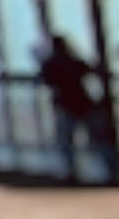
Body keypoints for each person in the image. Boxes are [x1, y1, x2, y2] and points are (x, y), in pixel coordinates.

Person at [40, 36, 114, 183]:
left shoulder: (51, 64)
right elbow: (91, 71)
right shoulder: (74, 61)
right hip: (84, 103)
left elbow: (45, 80)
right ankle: (109, 170)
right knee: (97, 138)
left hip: (65, 105)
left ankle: (70, 171)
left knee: (66, 141)